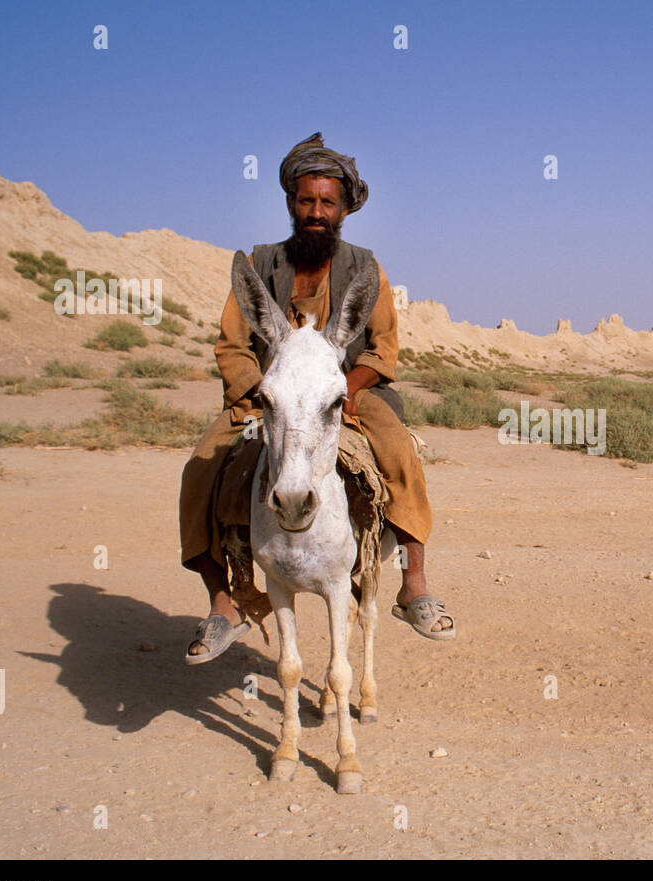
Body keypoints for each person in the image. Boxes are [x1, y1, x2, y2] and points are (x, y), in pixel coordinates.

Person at [178, 132, 454, 664]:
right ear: (290, 203)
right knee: (200, 469)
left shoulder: (365, 268)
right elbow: (233, 344)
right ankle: (224, 602)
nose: (316, 212)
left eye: (328, 202)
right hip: (269, 394)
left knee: (399, 451)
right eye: (306, 200)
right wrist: (263, 394)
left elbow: (383, 346)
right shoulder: (261, 264)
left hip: (347, 390)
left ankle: (412, 583)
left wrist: (342, 389)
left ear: (344, 209)